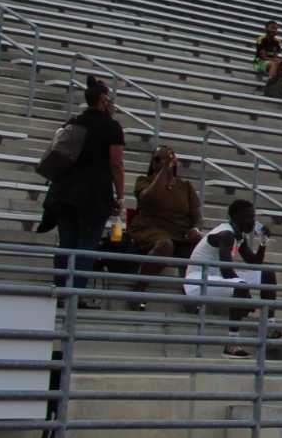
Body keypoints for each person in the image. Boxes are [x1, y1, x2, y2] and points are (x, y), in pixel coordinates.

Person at [40, 77, 125, 292]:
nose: (112, 103)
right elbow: (116, 163)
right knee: (86, 245)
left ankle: (60, 291)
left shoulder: (74, 122)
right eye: (109, 99)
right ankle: (75, 294)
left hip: (64, 191)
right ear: (102, 99)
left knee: (66, 243)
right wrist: (121, 195)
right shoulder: (111, 127)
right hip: (94, 195)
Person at [185, 200, 280, 357]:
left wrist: (263, 242)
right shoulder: (226, 234)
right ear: (236, 218)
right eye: (248, 217)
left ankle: (270, 326)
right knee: (240, 286)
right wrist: (247, 296)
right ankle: (231, 344)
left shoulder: (238, 235)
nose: (252, 222)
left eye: (253, 217)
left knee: (267, 274)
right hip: (197, 281)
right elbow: (227, 271)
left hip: (216, 276)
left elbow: (254, 263)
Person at [128, 145, 200, 293]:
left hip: (180, 232)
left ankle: (191, 292)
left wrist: (196, 228)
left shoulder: (185, 186)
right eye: (156, 159)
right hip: (150, 228)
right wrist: (164, 171)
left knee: (201, 245)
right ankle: (140, 288)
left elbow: (197, 215)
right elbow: (149, 197)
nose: (160, 162)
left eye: (165, 159)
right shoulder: (144, 181)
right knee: (165, 245)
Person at [253, 22, 282, 96]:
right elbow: (263, 57)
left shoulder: (277, 41)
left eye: (276, 28)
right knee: (274, 64)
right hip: (259, 62)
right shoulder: (261, 39)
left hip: (270, 62)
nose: (274, 30)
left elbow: (275, 56)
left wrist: (279, 61)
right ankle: (269, 89)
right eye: (272, 28)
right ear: (266, 28)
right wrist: (276, 60)